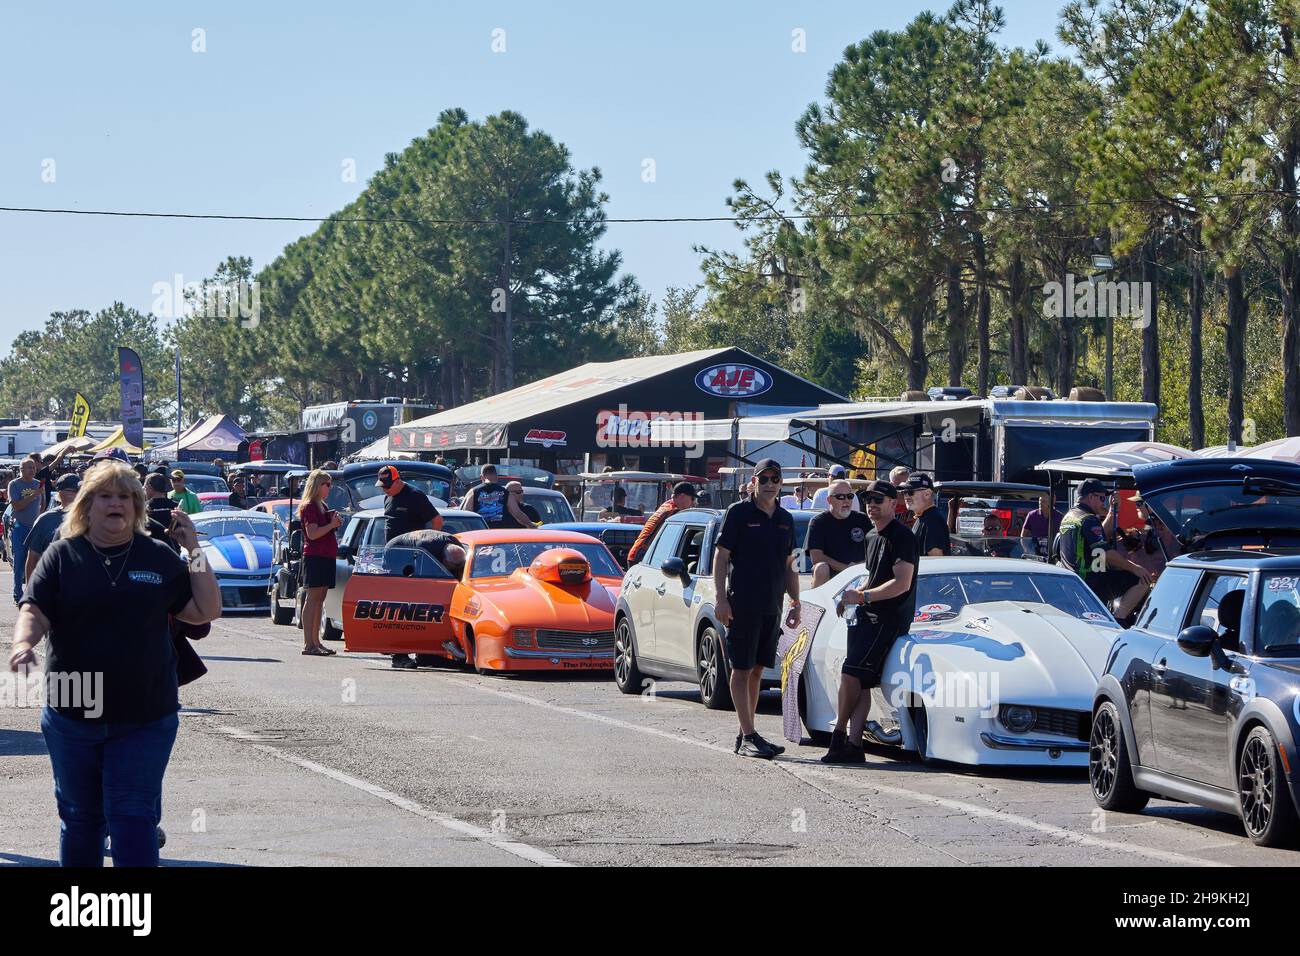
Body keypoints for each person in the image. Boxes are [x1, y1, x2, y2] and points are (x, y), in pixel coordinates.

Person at [9, 460, 220, 867]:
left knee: (132, 816)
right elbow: (34, 608)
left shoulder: (158, 556)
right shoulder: (62, 555)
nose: (115, 503)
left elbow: (205, 610)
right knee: (80, 818)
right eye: (105, 495)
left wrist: (194, 549)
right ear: (87, 504)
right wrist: (23, 643)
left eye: (124, 496)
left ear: (137, 505)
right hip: (73, 710)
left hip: (144, 713)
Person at [822, 480, 918, 765]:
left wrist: (862, 598)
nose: (872, 505)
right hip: (867, 614)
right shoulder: (871, 535)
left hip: (887, 619)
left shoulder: (902, 536)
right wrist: (850, 596)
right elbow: (873, 576)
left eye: (878, 500)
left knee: (850, 674)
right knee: (860, 682)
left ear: (894, 502)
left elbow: (902, 584)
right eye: (867, 500)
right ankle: (854, 744)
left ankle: (838, 736)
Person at [712, 458, 799, 760]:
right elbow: (721, 557)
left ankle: (745, 732)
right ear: (754, 481)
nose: (770, 483)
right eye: (764, 478)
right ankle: (749, 735)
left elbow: (790, 565)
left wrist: (796, 602)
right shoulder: (738, 513)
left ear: (781, 482)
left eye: (775, 478)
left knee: (759, 668)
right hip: (743, 603)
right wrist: (721, 599)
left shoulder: (786, 518)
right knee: (741, 667)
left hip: (772, 605)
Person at [1053, 478, 1152, 623]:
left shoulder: (1069, 517)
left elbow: (1100, 536)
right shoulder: (1088, 519)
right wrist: (1135, 568)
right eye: (1101, 498)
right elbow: (1105, 553)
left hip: (1074, 581)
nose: (1103, 502)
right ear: (1090, 497)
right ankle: (1118, 621)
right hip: (1091, 580)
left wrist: (1112, 512)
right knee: (1142, 579)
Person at [380, 465, 441, 669]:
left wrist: (429, 548)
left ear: (398, 481)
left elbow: (436, 520)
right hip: (392, 559)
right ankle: (399, 652)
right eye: (382, 486)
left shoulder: (415, 495)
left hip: (412, 561)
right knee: (394, 607)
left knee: (411, 608)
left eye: (388, 486)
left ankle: (415, 653)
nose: (385, 490)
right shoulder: (388, 496)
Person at [298, 470, 342, 657]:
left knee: (320, 599)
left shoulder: (321, 505)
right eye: (327, 485)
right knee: (313, 599)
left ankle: (316, 642)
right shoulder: (309, 507)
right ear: (317, 485)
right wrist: (331, 525)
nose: (329, 489)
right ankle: (309, 643)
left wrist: (333, 522)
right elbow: (313, 533)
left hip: (325, 556)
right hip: (315, 557)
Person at [807, 479, 872, 586]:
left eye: (850, 496)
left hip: (860, 575)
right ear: (829, 500)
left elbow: (874, 549)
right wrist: (846, 569)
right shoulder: (818, 522)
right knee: (821, 568)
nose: (846, 501)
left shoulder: (862, 520)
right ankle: (817, 602)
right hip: (831, 578)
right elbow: (816, 557)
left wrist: (858, 567)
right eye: (840, 497)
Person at [24, 473, 80, 583]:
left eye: (76, 491)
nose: (73, 494)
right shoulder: (45, 519)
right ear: (59, 492)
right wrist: (29, 591)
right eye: (68, 490)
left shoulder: (92, 518)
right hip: (52, 586)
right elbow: (32, 558)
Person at [627, 482, 698, 565]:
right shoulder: (673, 511)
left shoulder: (668, 505)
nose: (693, 503)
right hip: (642, 556)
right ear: (682, 496)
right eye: (692, 498)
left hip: (641, 554)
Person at [7, 458, 43, 604]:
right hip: (19, 527)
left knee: (35, 562)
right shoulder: (14, 484)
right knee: (20, 561)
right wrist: (34, 494)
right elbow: (16, 506)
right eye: (28, 467)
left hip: (34, 528)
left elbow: (43, 505)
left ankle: (32, 592)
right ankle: (17, 594)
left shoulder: (38, 484)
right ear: (21, 470)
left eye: (33, 467)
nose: (32, 469)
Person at [461, 464, 530, 529]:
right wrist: (531, 525)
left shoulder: (473, 491)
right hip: (498, 534)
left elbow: (466, 513)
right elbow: (517, 513)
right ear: (496, 477)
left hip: (479, 532)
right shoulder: (505, 492)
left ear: (481, 477)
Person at [903, 473, 950, 557]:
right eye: (904, 492)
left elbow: (936, 562)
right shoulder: (924, 517)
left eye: (910, 492)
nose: (906, 496)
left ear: (927, 494)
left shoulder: (933, 521)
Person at [1019, 492, 1054, 558]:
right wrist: (1027, 550)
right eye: (1039, 501)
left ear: (1049, 503)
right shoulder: (1031, 515)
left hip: (1052, 553)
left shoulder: (1058, 516)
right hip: (1034, 552)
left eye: (1043, 501)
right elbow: (1023, 536)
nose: (1040, 503)